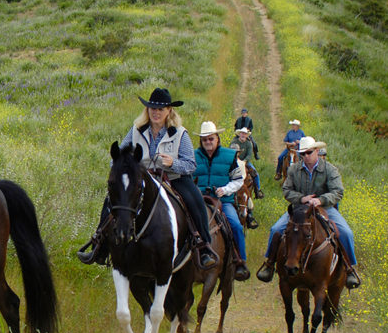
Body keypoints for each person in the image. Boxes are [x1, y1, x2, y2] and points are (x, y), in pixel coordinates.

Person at [77, 88, 218, 269]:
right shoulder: (136, 131)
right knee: (112, 201)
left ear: (169, 111)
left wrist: (172, 163)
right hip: (142, 179)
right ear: (147, 110)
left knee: (195, 199)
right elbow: (120, 155)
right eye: (152, 108)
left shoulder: (180, 134)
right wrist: (120, 171)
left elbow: (191, 164)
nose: (156, 112)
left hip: (173, 178)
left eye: (160, 109)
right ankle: (99, 245)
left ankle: (203, 245)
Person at [256, 136, 362, 288]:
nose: (305, 156)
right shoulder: (293, 169)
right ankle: (269, 265)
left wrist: (321, 200)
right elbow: (286, 190)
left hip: (325, 209)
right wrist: (302, 198)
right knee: (276, 229)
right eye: (302, 154)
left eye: (309, 152)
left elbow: (338, 191)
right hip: (299, 210)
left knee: (345, 233)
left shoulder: (330, 169)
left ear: (317, 151)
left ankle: (349, 269)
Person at [194, 122, 250, 280]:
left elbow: (238, 180)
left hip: (223, 200)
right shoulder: (193, 156)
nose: (208, 142)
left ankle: (240, 261)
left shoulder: (229, 155)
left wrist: (225, 189)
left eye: (210, 138)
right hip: (199, 200)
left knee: (236, 225)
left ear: (217, 138)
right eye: (204, 140)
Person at [229, 127, 264, 199]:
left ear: (246, 135)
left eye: (245, 134)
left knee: (255, 173)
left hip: (245, 162)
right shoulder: (234, 142)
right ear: (239, 134)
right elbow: (230, 152)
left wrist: (244, 161)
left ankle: (258, 190)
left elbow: (249, 155)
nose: (243, 135)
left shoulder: (248, 144)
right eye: (242, 133)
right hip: (234, 161)